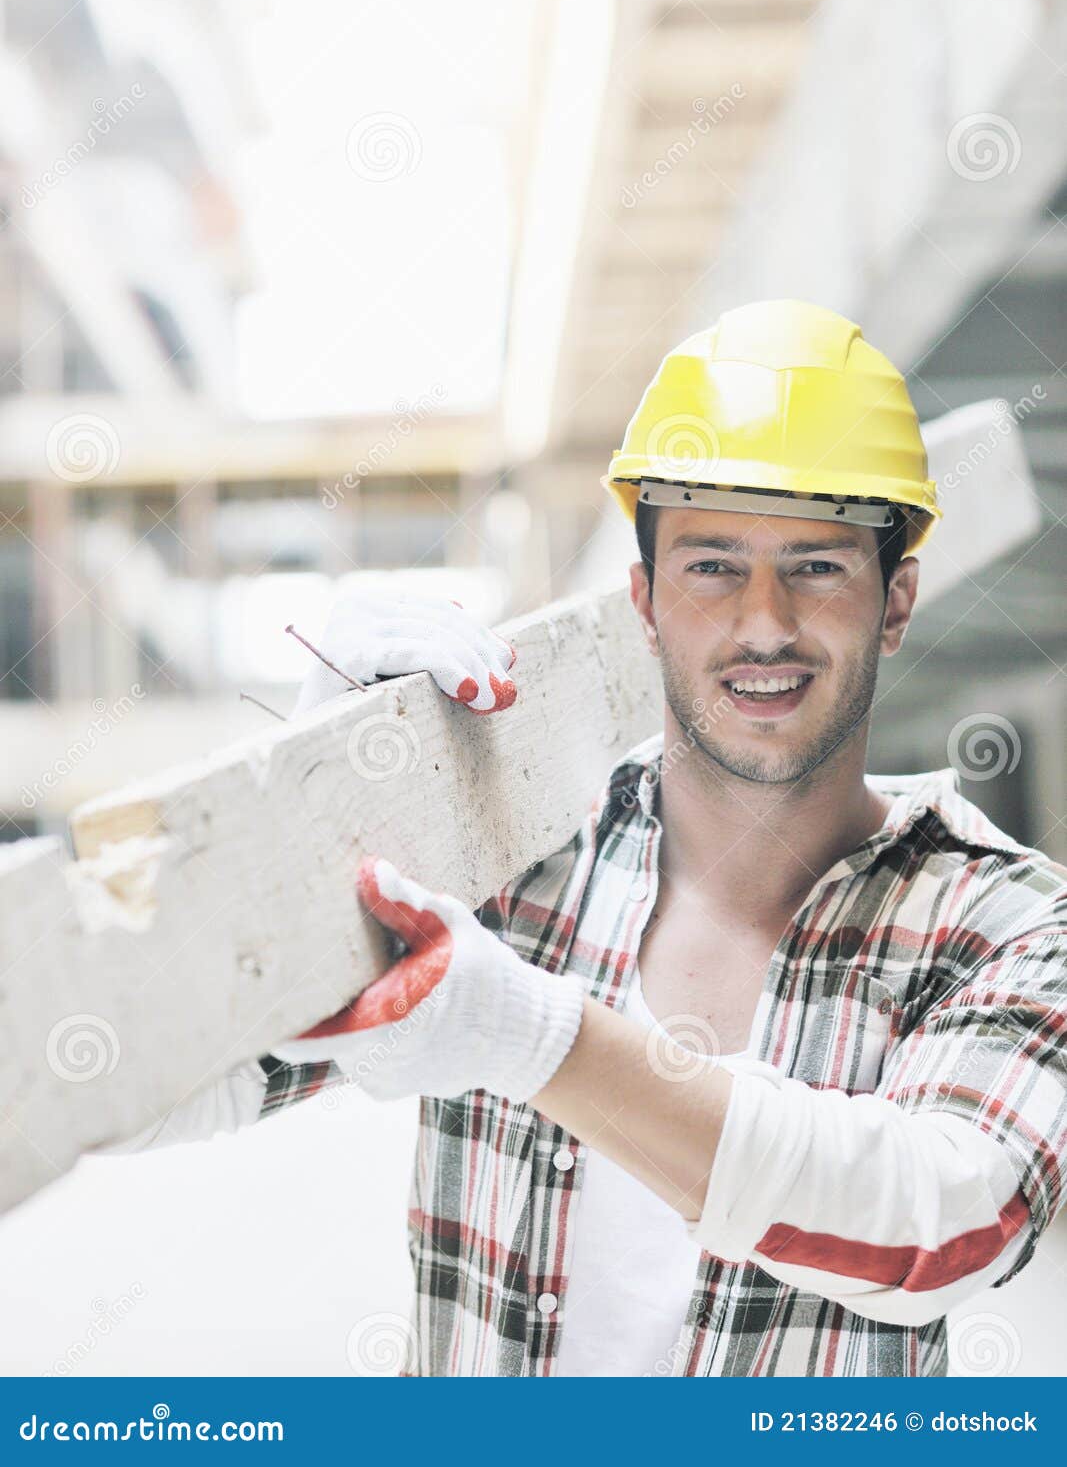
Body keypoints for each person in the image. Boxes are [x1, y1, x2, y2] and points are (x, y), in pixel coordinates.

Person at [103, 300, 1067, 1378]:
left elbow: (942, 1230)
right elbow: (137, 1091)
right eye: (712, 565)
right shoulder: (518, 865)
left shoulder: (1009, 924)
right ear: (643, 601)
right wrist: (308, 813)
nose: (762, 622)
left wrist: (528, 1034)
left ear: (894, 602)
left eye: (816, 566)